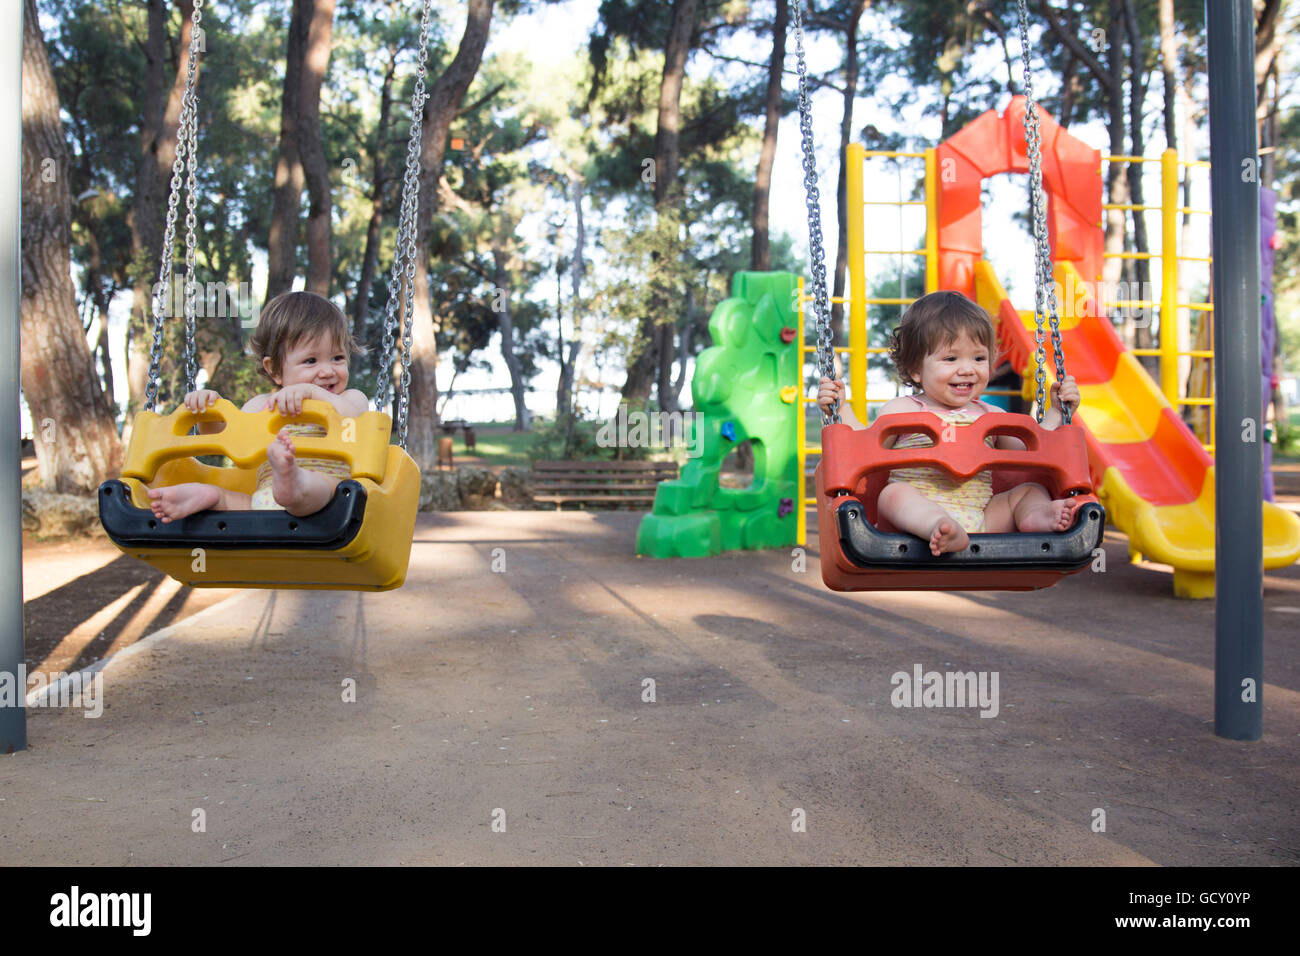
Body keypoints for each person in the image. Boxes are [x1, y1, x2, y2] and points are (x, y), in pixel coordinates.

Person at [817, 290, 1082, 556]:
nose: (967, 369)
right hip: (914, 521)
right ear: (915, 370)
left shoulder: (992, 415)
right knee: (893, 494)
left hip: (982, 517)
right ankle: (939, 526)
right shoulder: (903, 410)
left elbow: (1033, 452)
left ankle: (1037, 517)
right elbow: (862, 447)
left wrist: (1057, 413)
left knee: (1028, 491)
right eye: (951, 358)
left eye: (978, 358)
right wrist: (841, 409)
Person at [147, 291, 369, 521]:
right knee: (235, 502)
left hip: (332, 501)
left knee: (317, 486)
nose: (327, 371)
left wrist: (312, 393)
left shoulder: (351, 398)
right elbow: (225, 438)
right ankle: (212, 495)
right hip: (266, 500)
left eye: (338, 358)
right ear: (273, 369)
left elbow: (354, 420)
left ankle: (294, 480)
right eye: (310, 361)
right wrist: (207, 412)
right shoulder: (263, 405)